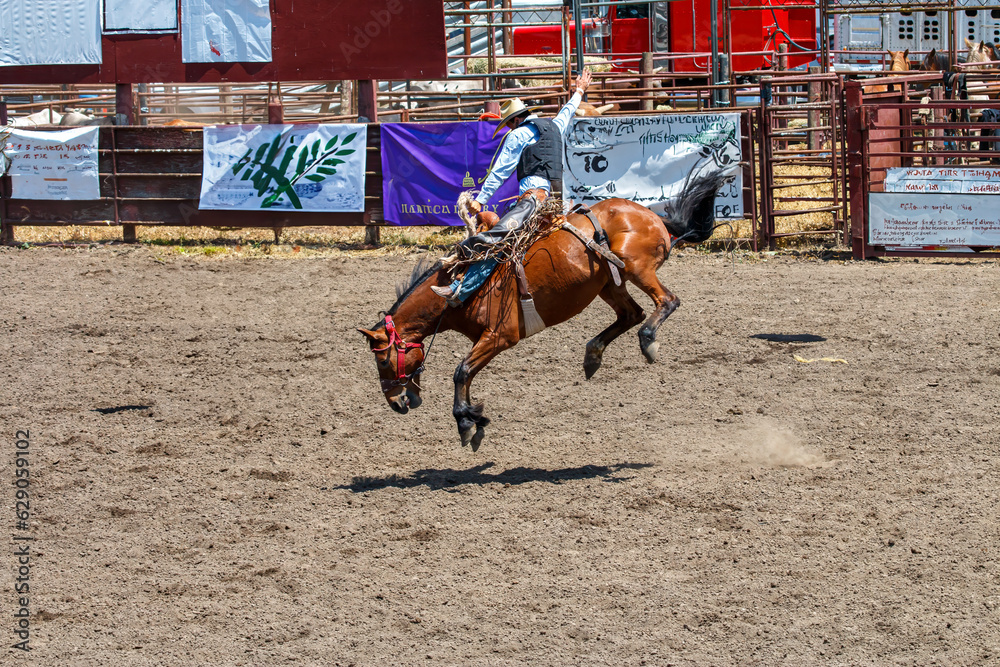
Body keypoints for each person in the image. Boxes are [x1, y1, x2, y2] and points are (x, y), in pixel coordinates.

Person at [431, 67, 594, 306]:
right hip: (557, 205)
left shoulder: (517, 135)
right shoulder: (554, 126)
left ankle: (460, 288)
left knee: (497, 239)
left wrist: (481, 199)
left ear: (516, 120)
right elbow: (567, 111)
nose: (508, 128)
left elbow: (500, 171)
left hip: (533, 202)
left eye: (508, 124)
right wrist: (579, 90)